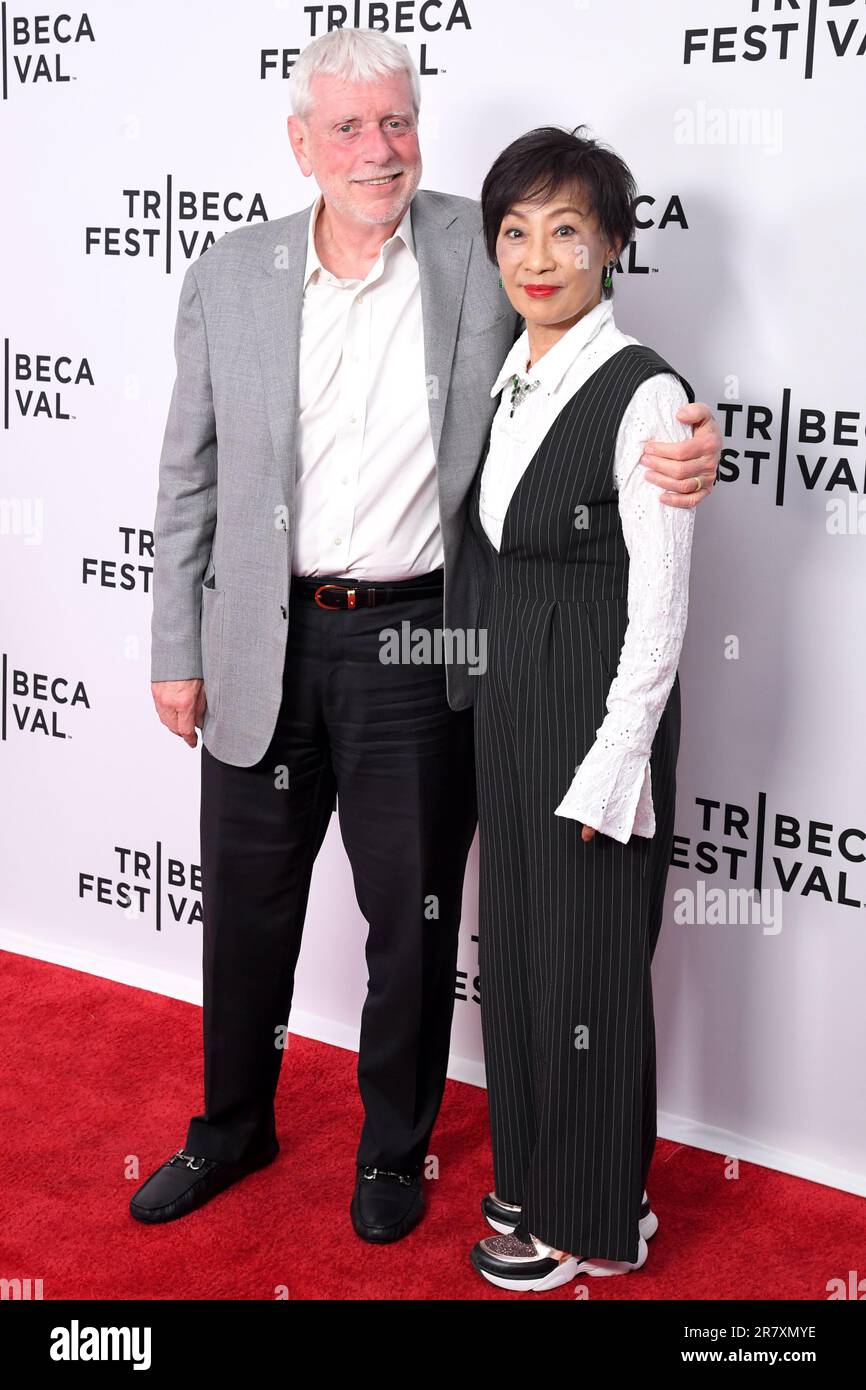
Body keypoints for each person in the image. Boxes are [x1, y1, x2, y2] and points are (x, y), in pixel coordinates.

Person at [132, 29, 721, 1245]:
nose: (375, 148)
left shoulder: (482, 242)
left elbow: (591, 364)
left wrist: (686, 443)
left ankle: (394, 1150)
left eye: (394, 122)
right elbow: (186, 475)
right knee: (245, 908)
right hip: (258, 639)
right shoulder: (228, 272)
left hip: (417, 643)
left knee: (412, 921)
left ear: (419, 131)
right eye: (346, 127)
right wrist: (172, 646)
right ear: (299, 143)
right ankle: (231, 1125)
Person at [467, 125, 699, 1291]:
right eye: (514, 231)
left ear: (611, 242)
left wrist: (616, 761)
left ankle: (595, 1215)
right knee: (514, 949)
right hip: (508, 694)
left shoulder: (646, 393)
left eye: (565, 228)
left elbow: (660, 608)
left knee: (589, 965)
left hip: (594, 705)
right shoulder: (508, 371)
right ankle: (535, 1164)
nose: (537, 255)